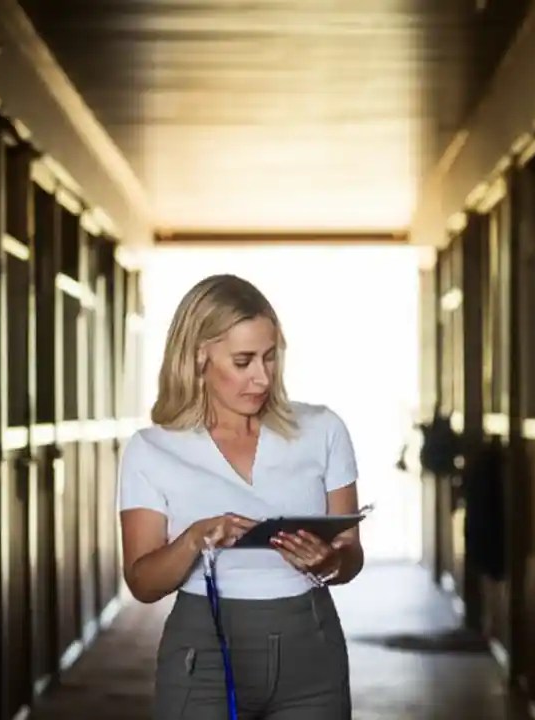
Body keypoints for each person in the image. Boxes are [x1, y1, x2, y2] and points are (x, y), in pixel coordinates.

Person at [118, 273, 363, 719]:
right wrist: (193, 540)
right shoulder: (151, 449)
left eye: (270, 358)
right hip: (201, 652)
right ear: (197, 356)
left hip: (310, 649)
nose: (262, 377)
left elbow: (351, 555)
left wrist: (329, 562)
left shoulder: (323, 429)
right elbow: (142, 582)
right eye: (243, 360)